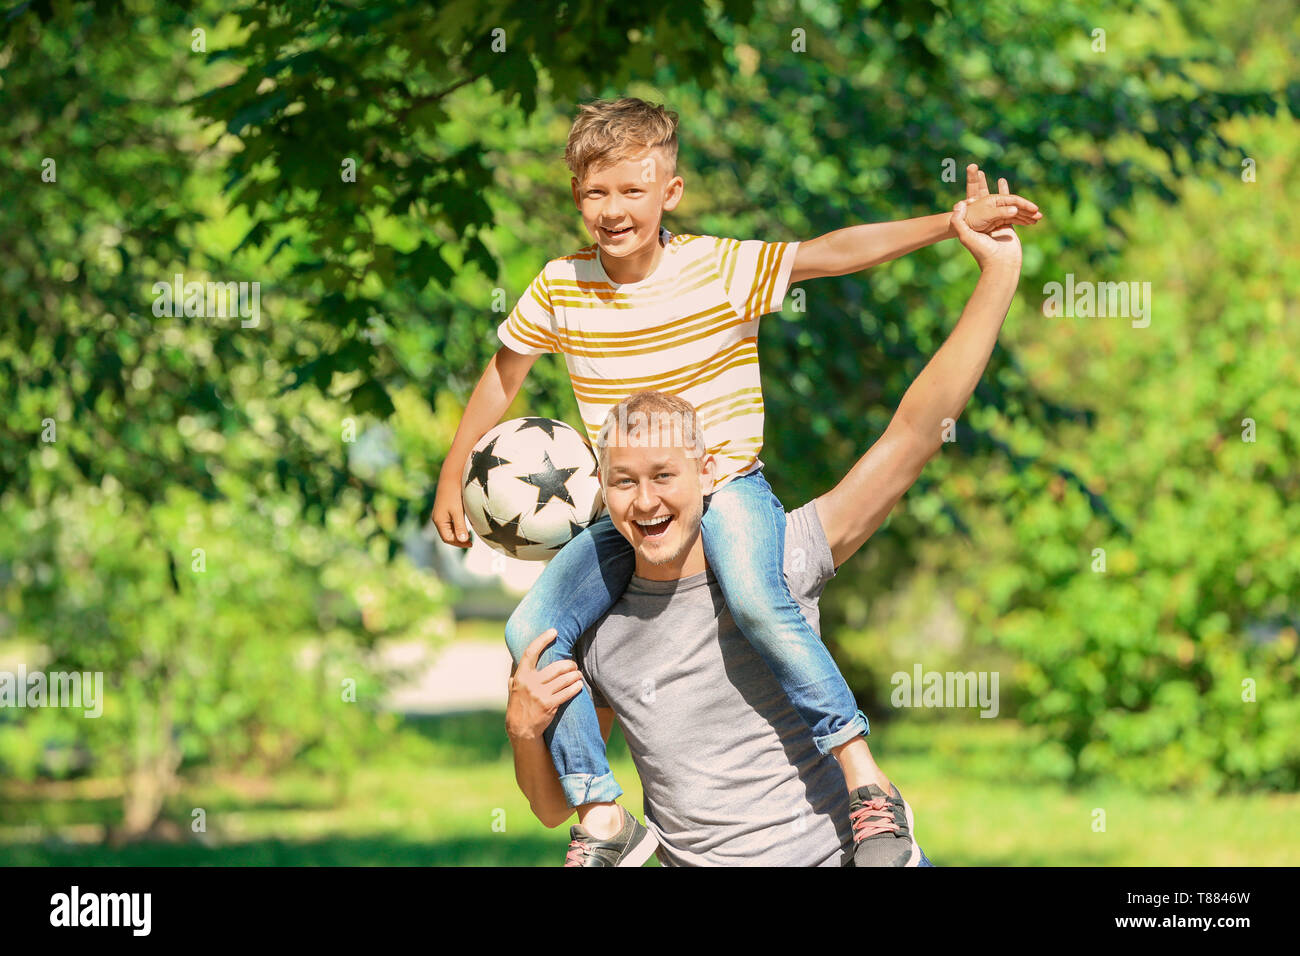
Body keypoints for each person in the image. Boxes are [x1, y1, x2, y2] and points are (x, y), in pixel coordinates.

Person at [432, 95, 1041, 865]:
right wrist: (454, 471)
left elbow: (835, 261)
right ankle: (606, 816)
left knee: (757, 596)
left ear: (671, 193)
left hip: (737, 489)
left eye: (632, 190)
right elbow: (504, 371)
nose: (612, 210)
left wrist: (951, 226)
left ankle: (864, 779)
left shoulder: (718, 271)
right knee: (528, 631)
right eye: (594, 193)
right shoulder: (562, 289)